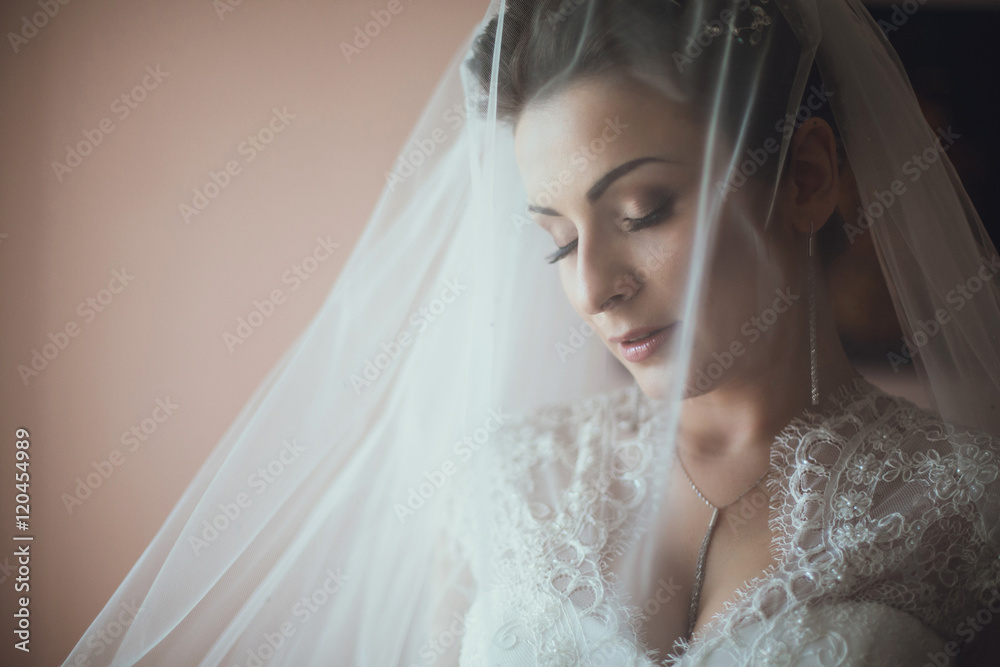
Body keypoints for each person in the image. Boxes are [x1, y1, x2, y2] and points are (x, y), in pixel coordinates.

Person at [65, 1, 1000, 665]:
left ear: (802, 177)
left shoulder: (963, 517)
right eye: (556, 244)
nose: (594, 286)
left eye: (642, 210)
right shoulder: (506, 482)